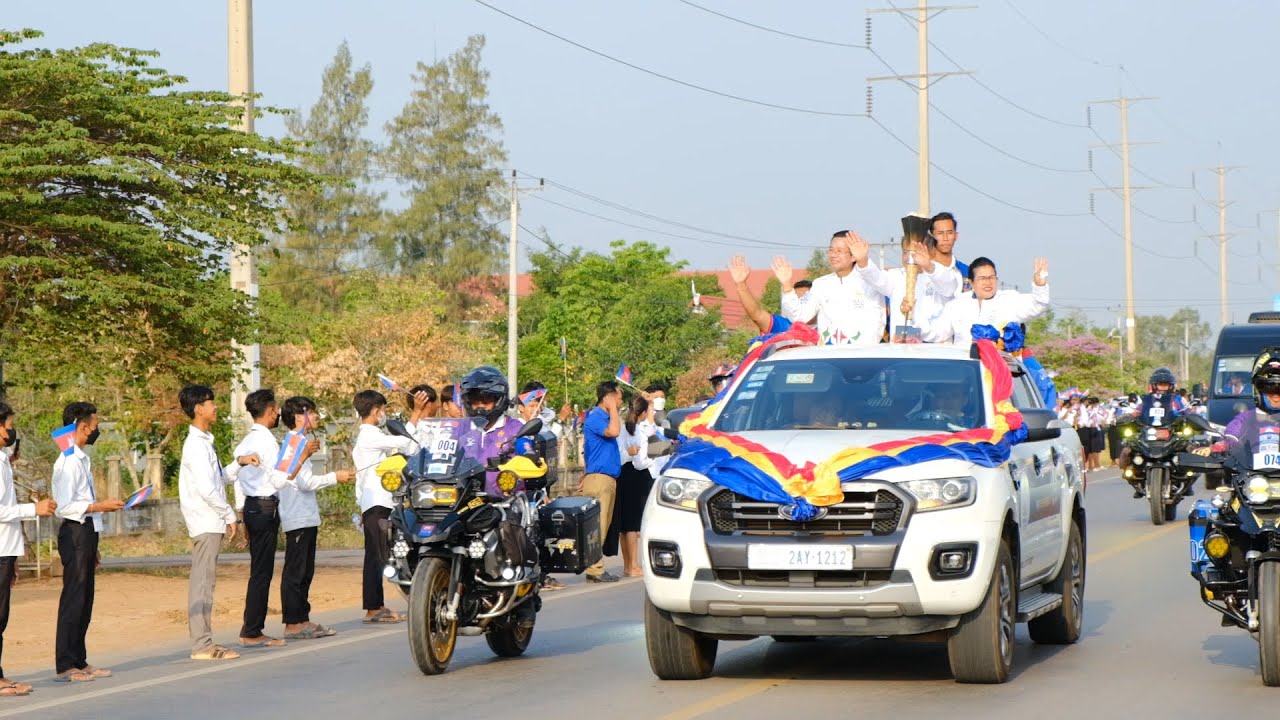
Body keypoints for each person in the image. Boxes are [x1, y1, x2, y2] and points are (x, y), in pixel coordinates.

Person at [178, 385, 269, 661]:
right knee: (202, 582)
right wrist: (231, 515)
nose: (215, 407)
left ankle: (204, 640)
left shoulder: (205, 441)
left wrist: (240, 463)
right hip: (205, 520)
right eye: (210, 402)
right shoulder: (195, 444)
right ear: (198, 409)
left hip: (210, 519)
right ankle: (202, 644)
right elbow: (208, 489)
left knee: (206, 581)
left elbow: (219, 478)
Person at [51, 402, 124, 683]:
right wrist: (99, 507)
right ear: (82, 427)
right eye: (94, 426)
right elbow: (66, 507)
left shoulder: (81, 458)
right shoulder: (68, 462)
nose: (96, 430)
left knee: (85, 598)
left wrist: (96, 536)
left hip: (87, 532)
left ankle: (79, 659)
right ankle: (65, 663)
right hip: (74, 531)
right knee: (73, 598)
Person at [277, 396, 354, 640]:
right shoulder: (294, 444)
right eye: (311, 412)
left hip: (306, 516)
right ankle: (293, 622)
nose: (316, 416)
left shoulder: (302, 442)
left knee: (305, 571)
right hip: (297, 516)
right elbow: (304, 482)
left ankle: (303, 618)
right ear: (299, 416)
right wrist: (335, 477)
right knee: (296, 572)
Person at [352, 389, 427, 624]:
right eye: (383, 410)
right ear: (376, 411)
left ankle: (377, 605)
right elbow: (407, 444)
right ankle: (374, 608)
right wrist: (415, 414)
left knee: (382, 554)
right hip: (377, 503)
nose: (384, 414)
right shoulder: (370, 436)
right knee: (376, 556)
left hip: (374, 502)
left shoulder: (371, 437)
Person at [0, 404, 55, 696]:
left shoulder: (2, 461)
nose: (11, 431)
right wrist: (34, 508)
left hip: (5, 548)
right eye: (8, 425)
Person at [231, 389, 292, 649]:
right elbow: (278, 479)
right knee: (261, 573)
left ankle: (253, 627)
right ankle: (252, 630)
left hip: (253, 508)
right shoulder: (268, 443)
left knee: (259, 570)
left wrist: (242, 513)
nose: (279, 413)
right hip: (266, 507)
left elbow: (237, 480)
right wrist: (298, 460)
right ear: (269, 411)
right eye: (276, 409)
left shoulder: (245, 442)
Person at [776, 230, 895, 346]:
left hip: (863, 357)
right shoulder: (821, 284)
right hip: (829, 358)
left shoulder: (870, 281)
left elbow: (878, 280)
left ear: (853, 256)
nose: (833, 255)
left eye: (839, 251)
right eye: (831, 250)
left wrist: (863, 260)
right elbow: (800, 316)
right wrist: (787, 285)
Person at [855, 231, 960, 339]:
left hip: (934, 350)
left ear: (931, 252)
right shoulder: (896, 276)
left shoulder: (941, 274)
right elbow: (876, 278)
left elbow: (950, 287)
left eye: (915, 253)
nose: (909, 257)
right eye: (905, 252)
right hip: (901, 349)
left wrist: (928, 266)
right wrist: (863, 261)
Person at [921, 257, 1050, 344]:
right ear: (971, 282)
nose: (988, 282)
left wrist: (1040, 285)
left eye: (991, 277)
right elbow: (936, 332)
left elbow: (1038, 304)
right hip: (970, 374)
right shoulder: (957, 305)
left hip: (1002, 373)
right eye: (982, 278)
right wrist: (914, 328)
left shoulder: (1009, 300)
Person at [1117, 369, 1189, 494]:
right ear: (1154, 385)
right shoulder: (1145, 400)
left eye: (1165, 384)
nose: (1162, 387)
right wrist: (1128, 417)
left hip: (1171, 431)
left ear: (1171, 386)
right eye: (1160, 384)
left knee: (1189, 447)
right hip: (1148, 432)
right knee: (1127, 449)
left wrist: (1190, 417)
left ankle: (1188, 479)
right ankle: (1133, 476)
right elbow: (1137, 413)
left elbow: (1187, 412)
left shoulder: (1178, 400)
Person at [580, 381, 622, 583]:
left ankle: (594, 566)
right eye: (618, 397)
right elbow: (614, 431)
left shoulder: (602, 417)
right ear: (608, 397)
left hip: (605, 478)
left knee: (603, 525)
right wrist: (613, 408)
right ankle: (594, 568)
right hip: (600, 480)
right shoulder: (596, 418)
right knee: (599, 525)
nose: (621, 402)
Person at [613, 395, 655, 577]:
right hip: (637, 477)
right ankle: (634, 566)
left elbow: (619, 455)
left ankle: (627, 566)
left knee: (624, 526)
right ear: (644, 412)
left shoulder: (621, 429)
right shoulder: (639, 433)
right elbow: (640, 462)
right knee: (633, 525)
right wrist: (653, 461)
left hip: (622, 476)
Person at [1220, 348, 1280, 465]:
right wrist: (1221, 446)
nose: (1275, 395)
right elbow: (1232, 435)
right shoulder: (1246, 418)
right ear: (1257, 391)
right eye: (1268, 388)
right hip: (1252, 479)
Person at [929, 211, 969, 288]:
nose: (945, 238)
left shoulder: (966, 272)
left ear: (956, 236)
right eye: (940, 233)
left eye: (950, 233)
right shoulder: (922, 271)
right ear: (932, 236)